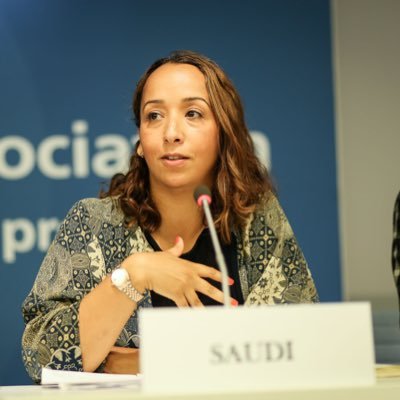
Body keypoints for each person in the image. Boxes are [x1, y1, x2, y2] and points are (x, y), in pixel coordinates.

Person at [21, 50, 319, 383]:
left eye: (193, 113)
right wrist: (135, 274)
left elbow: (298, 345)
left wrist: (138, 362)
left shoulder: (254, 217)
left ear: (223, 133)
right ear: (140, 141)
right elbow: (41, 359)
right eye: (154, 116)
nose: (172, 133)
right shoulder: (91, 223)